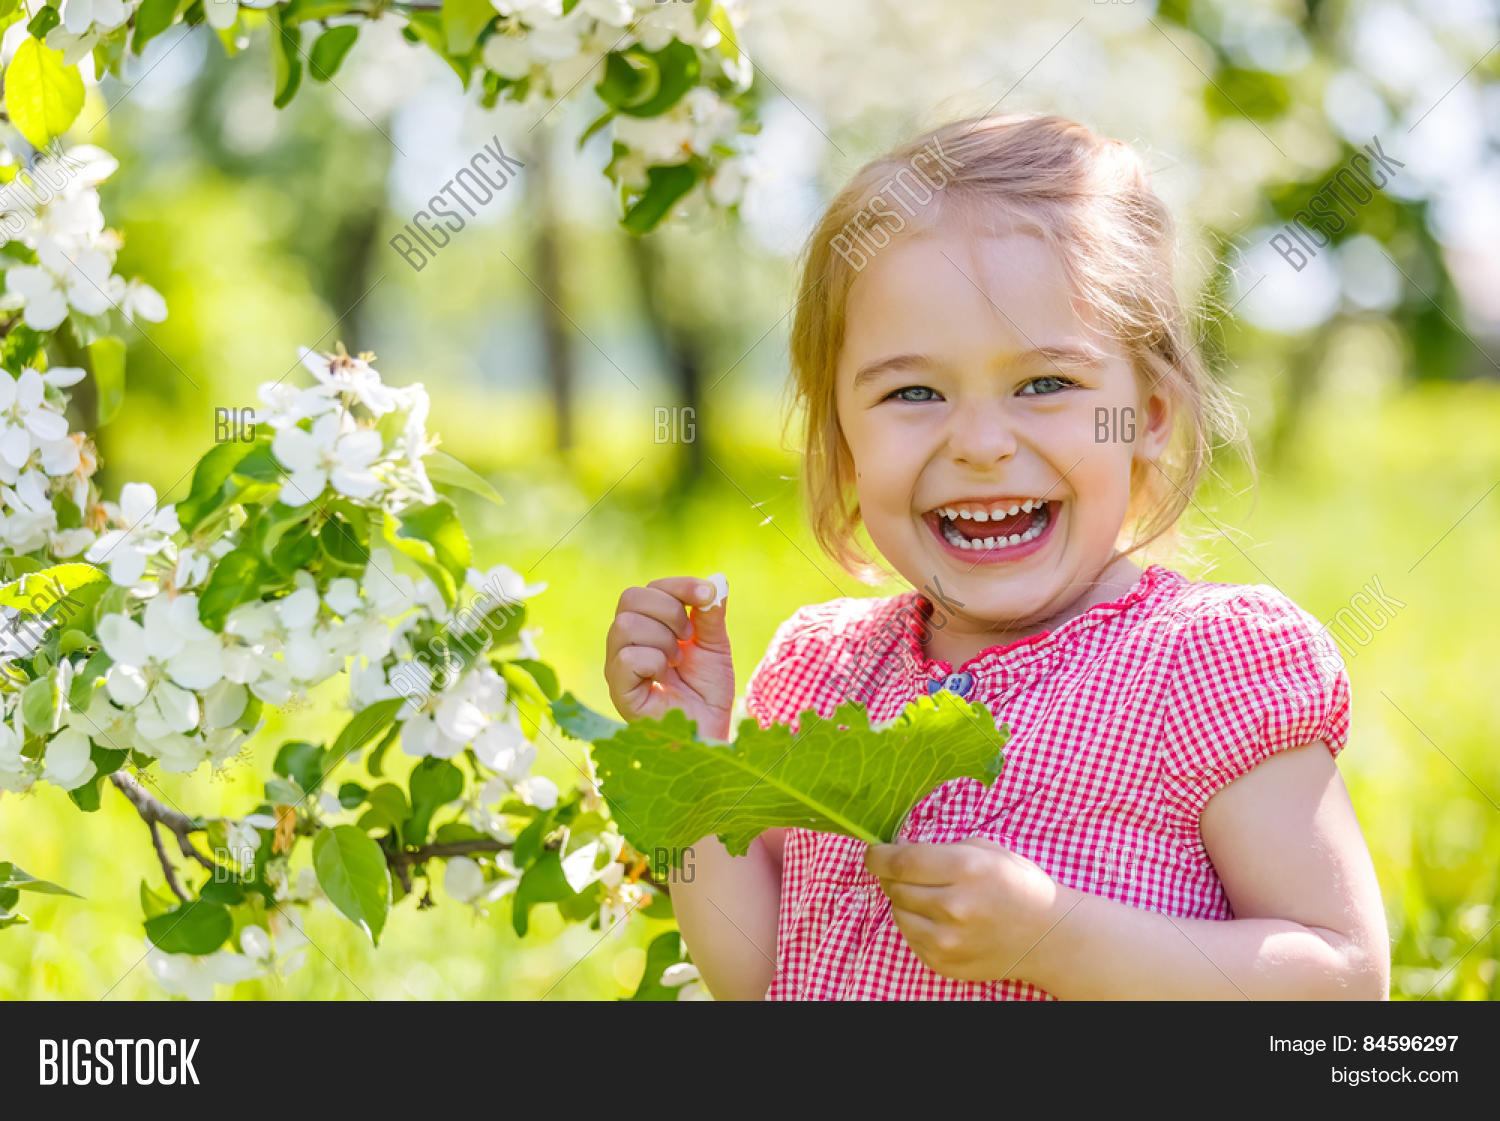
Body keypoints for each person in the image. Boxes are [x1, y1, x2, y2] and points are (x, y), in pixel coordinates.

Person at [603, 113, 1389, 1000]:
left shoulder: (1206, 666)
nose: (979, 442)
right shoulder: (821, 677)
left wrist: (1055, 936)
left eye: (1045, 383)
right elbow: (756, 978)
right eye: (913, 391)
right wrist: (696, 760)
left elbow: (1345, 982)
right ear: (841, 440)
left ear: (1149, 414)